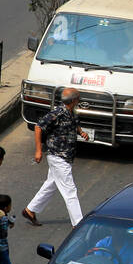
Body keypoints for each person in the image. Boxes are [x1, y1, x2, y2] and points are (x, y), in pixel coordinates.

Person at [24, 87, 91, 226]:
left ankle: (30, 210)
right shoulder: (57, 113)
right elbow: (38, 127)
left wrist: (81, 132)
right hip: (58, 156)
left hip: (66, 156)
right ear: (73, 100)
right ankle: (78, 224)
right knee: (70, 191)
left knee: (51, 184)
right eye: (78, 98)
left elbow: (75, 124)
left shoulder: (71, 112)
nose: (79, 101)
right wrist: (38, 151)